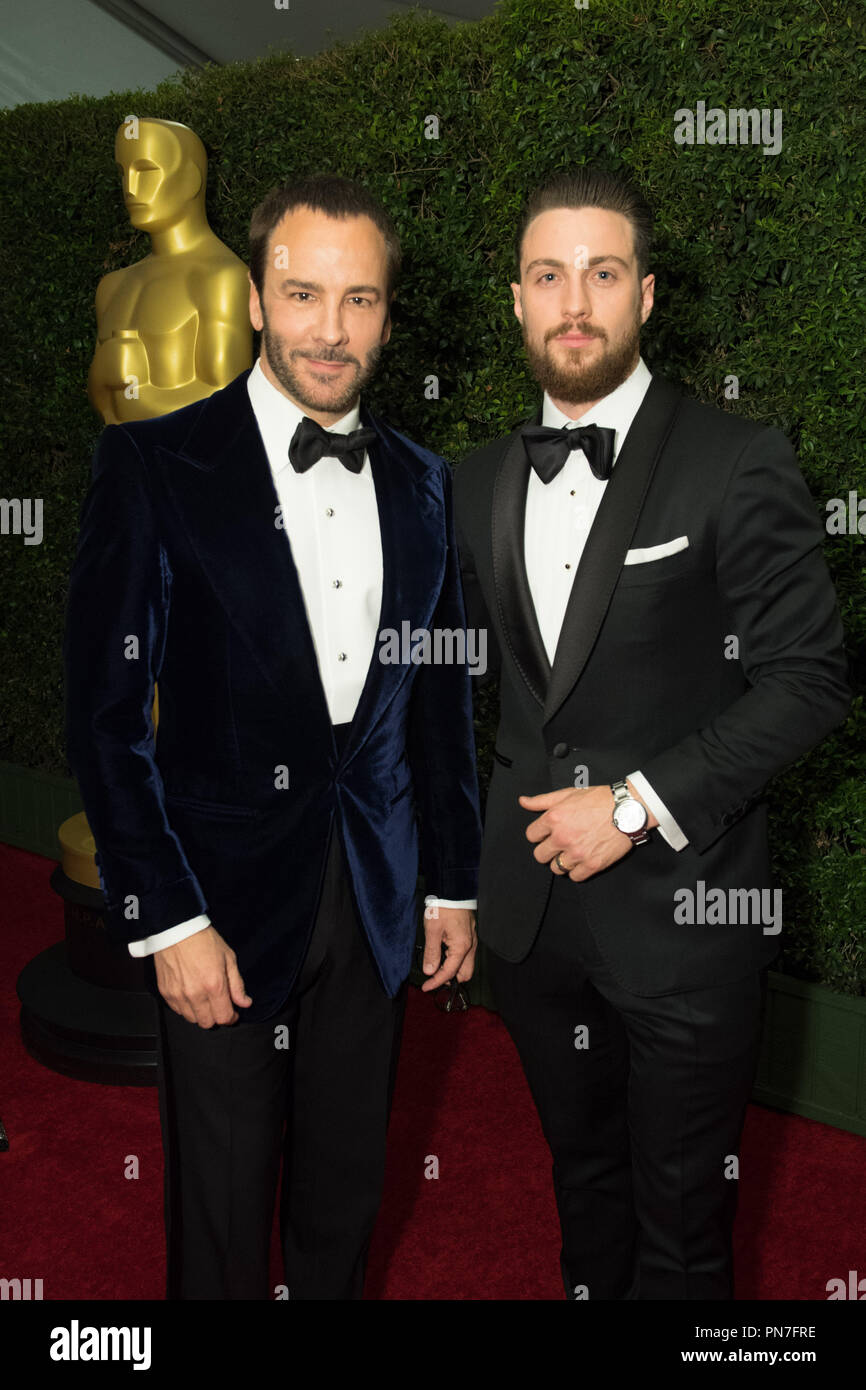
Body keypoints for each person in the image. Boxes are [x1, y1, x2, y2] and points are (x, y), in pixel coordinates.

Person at [64, 174, 482, 1300]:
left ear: (388, 313)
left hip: (378, 895)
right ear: (254, 299)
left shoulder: (424, 482)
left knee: (345, 1192)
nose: (329, 331)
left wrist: (451, 883)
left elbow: (440, 701)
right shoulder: (155, 462)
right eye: (302, 295)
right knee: (222, 1209)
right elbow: (105, 715)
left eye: (358, 300)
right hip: (220, 904)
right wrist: (165, 918)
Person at [453, 166, 850, 1300]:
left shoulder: (736, 459)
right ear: (516, 302)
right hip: (529, 925)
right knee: (581, 1189)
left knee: (683, 1233)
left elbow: (807, 679)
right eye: (546, 275)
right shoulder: (472, 481)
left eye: (602, 273)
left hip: (682, 918)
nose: (572, 301)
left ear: (646, 296)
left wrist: (630, 806)